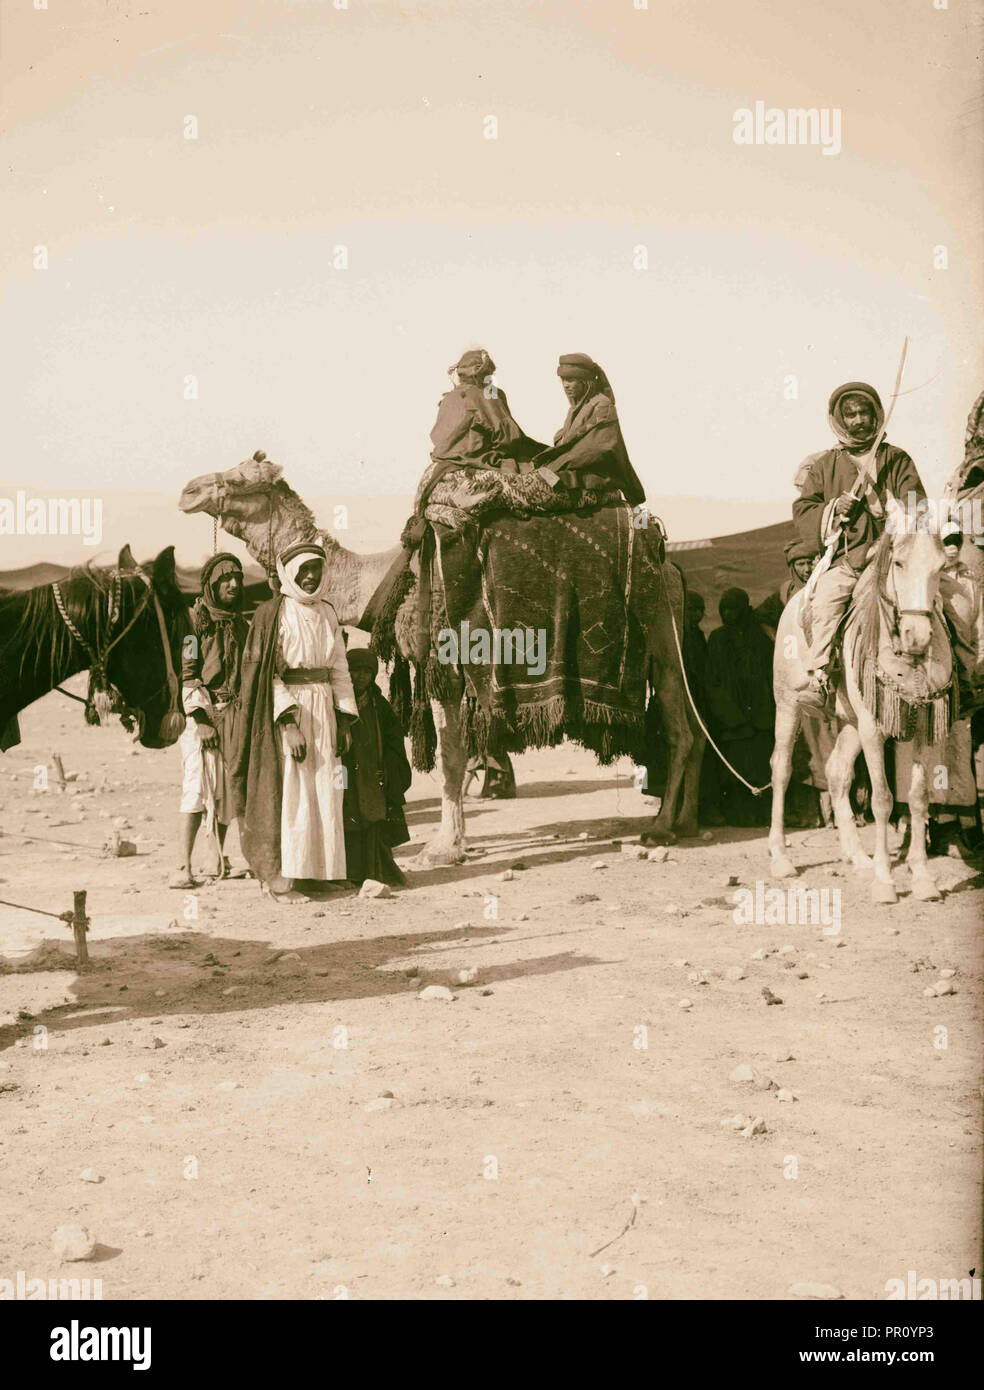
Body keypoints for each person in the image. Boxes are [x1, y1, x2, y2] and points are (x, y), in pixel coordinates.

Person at [232, 542, 358, 901]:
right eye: (303, 569)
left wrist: (345, 718)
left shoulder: (328, 613)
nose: (310, 576)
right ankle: (285, 879)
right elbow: (265, 675)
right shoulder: (272, 614)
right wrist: (288, 724)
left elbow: (339, 668)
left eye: (316, 569)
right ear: (289, 572)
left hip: (324, 712)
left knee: (326, 793)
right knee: (294, 794)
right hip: (290, 711)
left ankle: (319, 874)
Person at [792, 381, 926, 709]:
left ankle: (959, 676)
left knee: (940, 599)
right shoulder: (825, 464)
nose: (857, 420)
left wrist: (900, 514)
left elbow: (916, 501)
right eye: (849, 414)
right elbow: (804, 508)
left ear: (875, 414)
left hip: (894, 552)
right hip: (849, 557)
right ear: (839, 419)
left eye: (864, 412)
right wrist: (833, 509)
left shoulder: (895, 458)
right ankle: (820, 674)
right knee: (826, 600)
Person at [172, 553, 248, 888]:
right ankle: (182, 866)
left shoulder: (240, 624)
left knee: (225, 791)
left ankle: (216, 856)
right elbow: (187, 675)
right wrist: (202, 720)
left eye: (237, 578)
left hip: (233, 715)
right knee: (196, 788)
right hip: (200, 716)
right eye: (225, 579)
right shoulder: (192, 625)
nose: (233, 584)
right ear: (211, 584)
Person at [414, 348, 545, 516]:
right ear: (481, 374)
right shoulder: (486, 394)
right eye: (489, 374)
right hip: (470, 465)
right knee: (547, 481)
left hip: (438, 469)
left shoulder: (448, 398)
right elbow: (510, 438)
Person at [532, 353, 646, 506]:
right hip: (575, 473)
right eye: (563, 380)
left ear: (585, 381)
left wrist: (552, 466)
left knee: (534, 487)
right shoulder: (577, 408)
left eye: (571, 380)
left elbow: (592, 450)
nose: (565, 385)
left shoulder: (603, 406)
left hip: (595, 480)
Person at [341, 648, 414, 885]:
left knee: (373, 818)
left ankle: (376, 870)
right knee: (347, 819)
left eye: (366, 672)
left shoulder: (378, 704)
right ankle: (350, 874)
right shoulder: (337, 703)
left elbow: (394, 739)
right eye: (354, 670)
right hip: (345, 773)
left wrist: (391, 770)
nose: (360, 677)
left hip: (372, 773)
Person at [705, 588, 775, 826]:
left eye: (734, 609)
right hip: (731, 719)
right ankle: (739, 815)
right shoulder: (717, 638)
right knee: (735, 770)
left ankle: (761, 814)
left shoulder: (760, 638)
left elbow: (769, 674)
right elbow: (712, 681)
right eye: (725, 609)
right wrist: (729, 714)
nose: (729, 614)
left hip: (760, 716)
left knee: (760, 767)